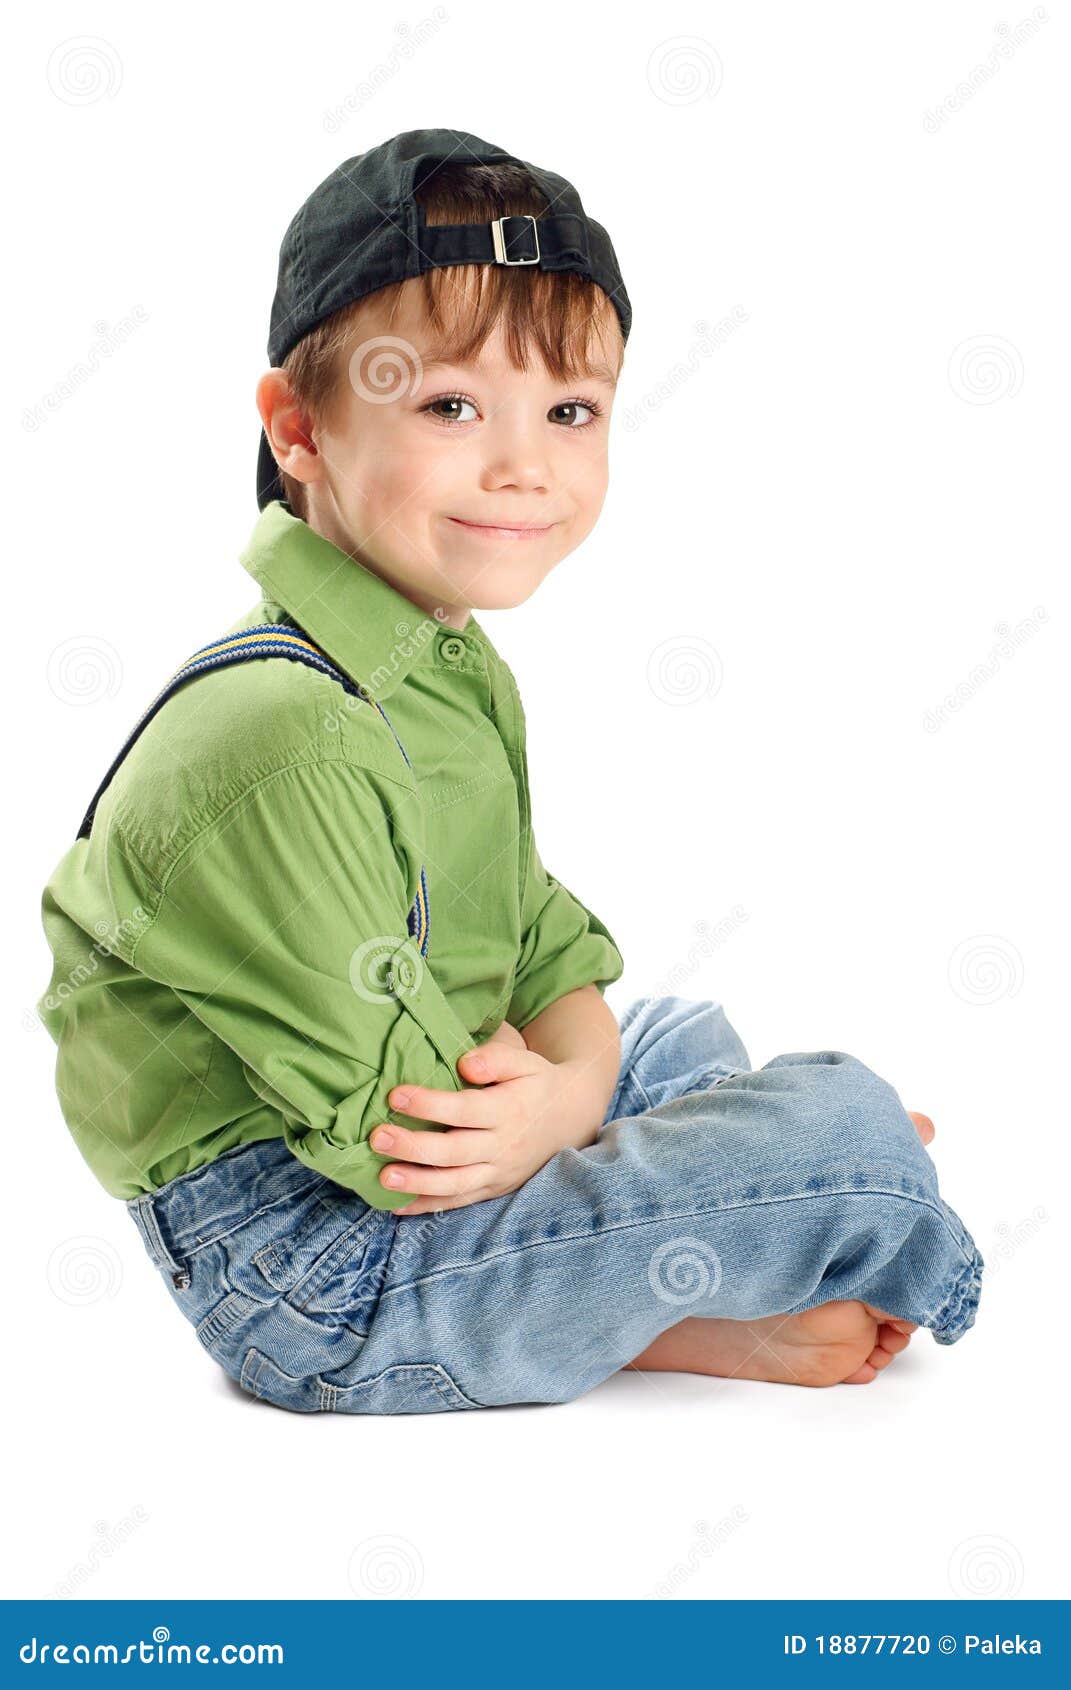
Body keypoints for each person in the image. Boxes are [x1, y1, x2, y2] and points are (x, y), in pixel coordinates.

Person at [36, 129, 982, 1414]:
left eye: (570, 412)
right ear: (300, 428)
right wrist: (725, 1151)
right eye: (450, 406)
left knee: (678, 1039)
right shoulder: (284, 731)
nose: (525, 464)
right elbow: (408, 1136)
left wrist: (580, 1088)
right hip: (321, 1267)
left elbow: (536, 939)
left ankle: (679, 1276)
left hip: (438, 1138)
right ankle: (784, 1220)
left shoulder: (433, 662)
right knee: (840, 1124)